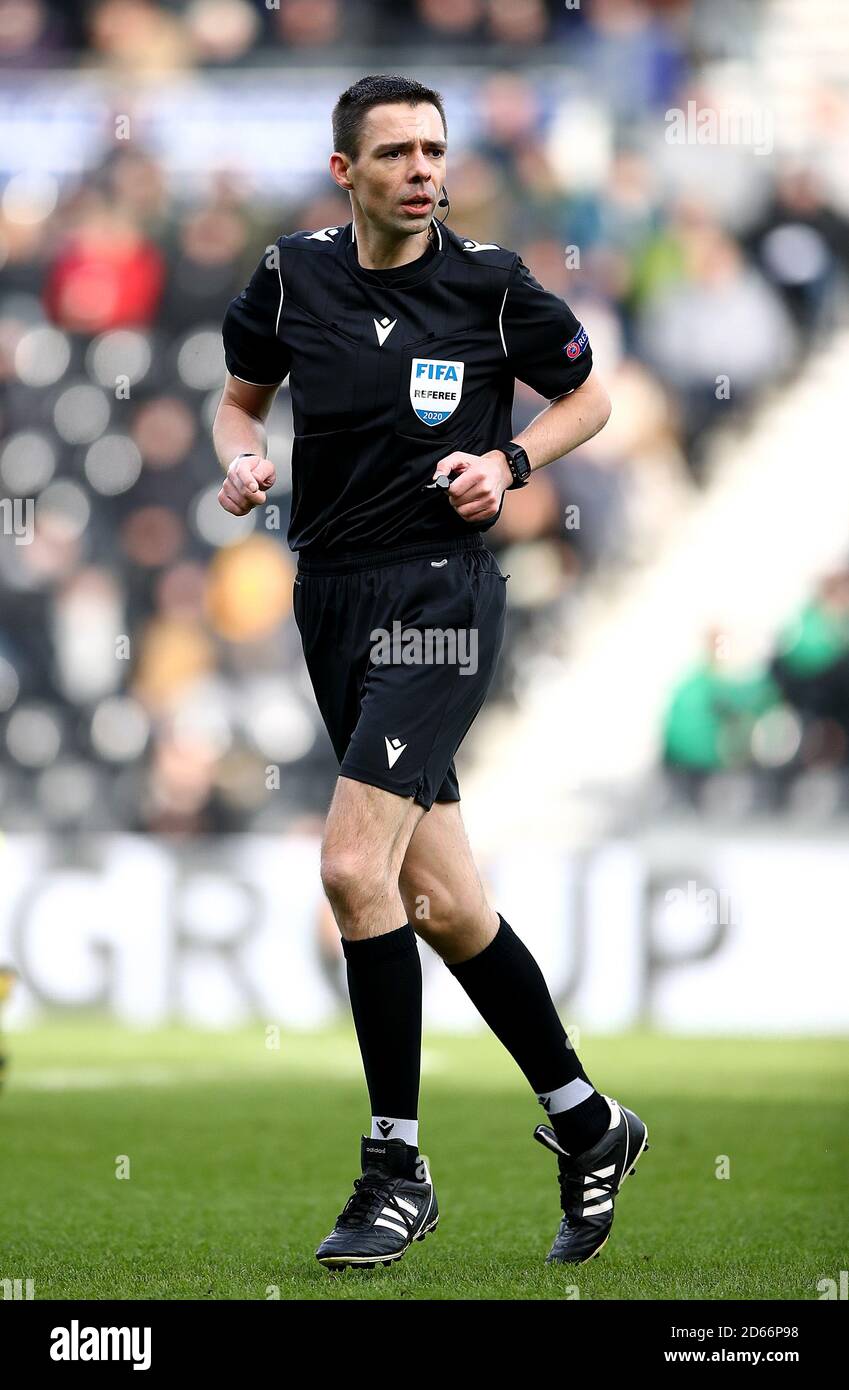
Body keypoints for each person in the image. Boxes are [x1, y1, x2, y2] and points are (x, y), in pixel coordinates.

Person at [214, 73, 648, 1270]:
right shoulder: (291, 274)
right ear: (345, 171)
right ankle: (589, 1120)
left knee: (355, 868)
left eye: (434, 149)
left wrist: (508, 460)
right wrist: (244, 459)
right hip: (329, 597)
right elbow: (237, 402)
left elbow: (592, 397)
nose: (422, 167)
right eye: (396, 151)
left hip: (439, 603)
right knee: (446, 903)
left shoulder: (491, 284)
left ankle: (395, 1167)